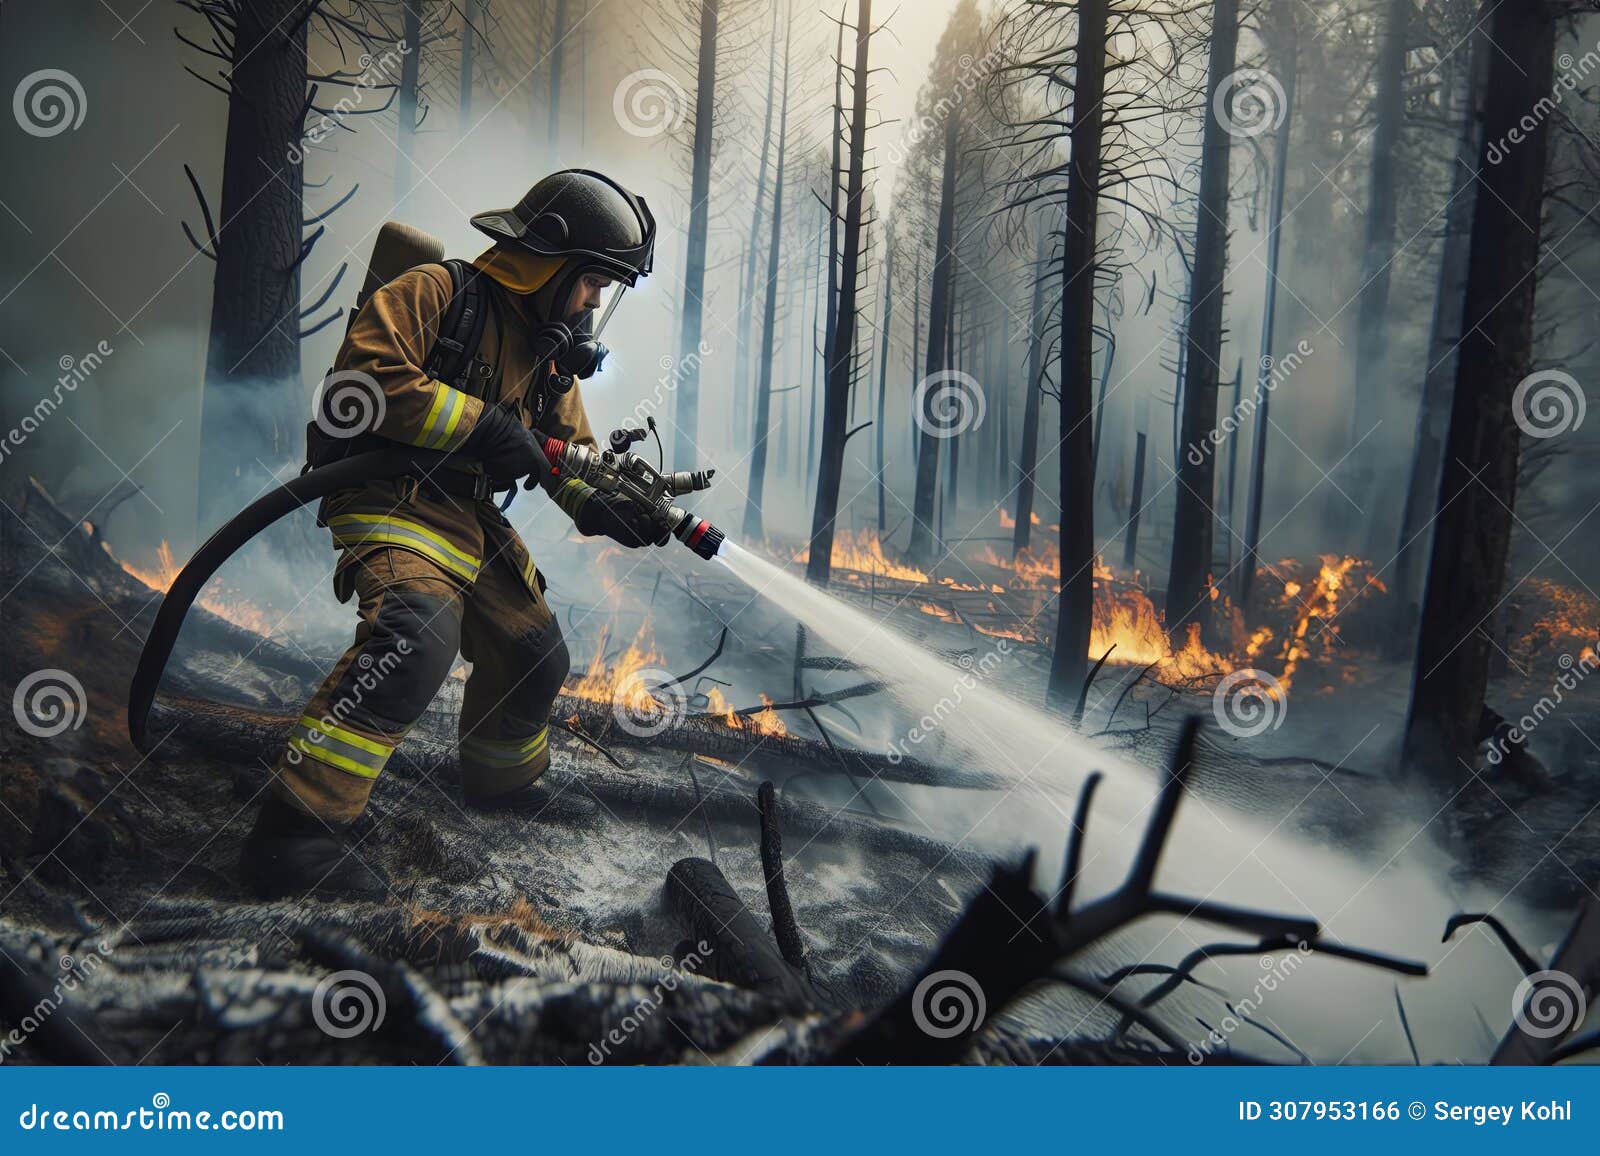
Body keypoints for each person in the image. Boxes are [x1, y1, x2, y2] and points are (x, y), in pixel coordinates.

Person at [238, 170, 662, 900]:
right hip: (386, 493)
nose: (594, 301)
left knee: (534, 654)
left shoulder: (549, 352)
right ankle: (294, 832)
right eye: (591, 282)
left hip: (467, 514)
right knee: (415, 638)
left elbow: (563, 452)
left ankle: (500, 784)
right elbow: (365, 381)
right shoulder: (437, 293)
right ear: (548, 261)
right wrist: (483, 424)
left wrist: (605, 506)